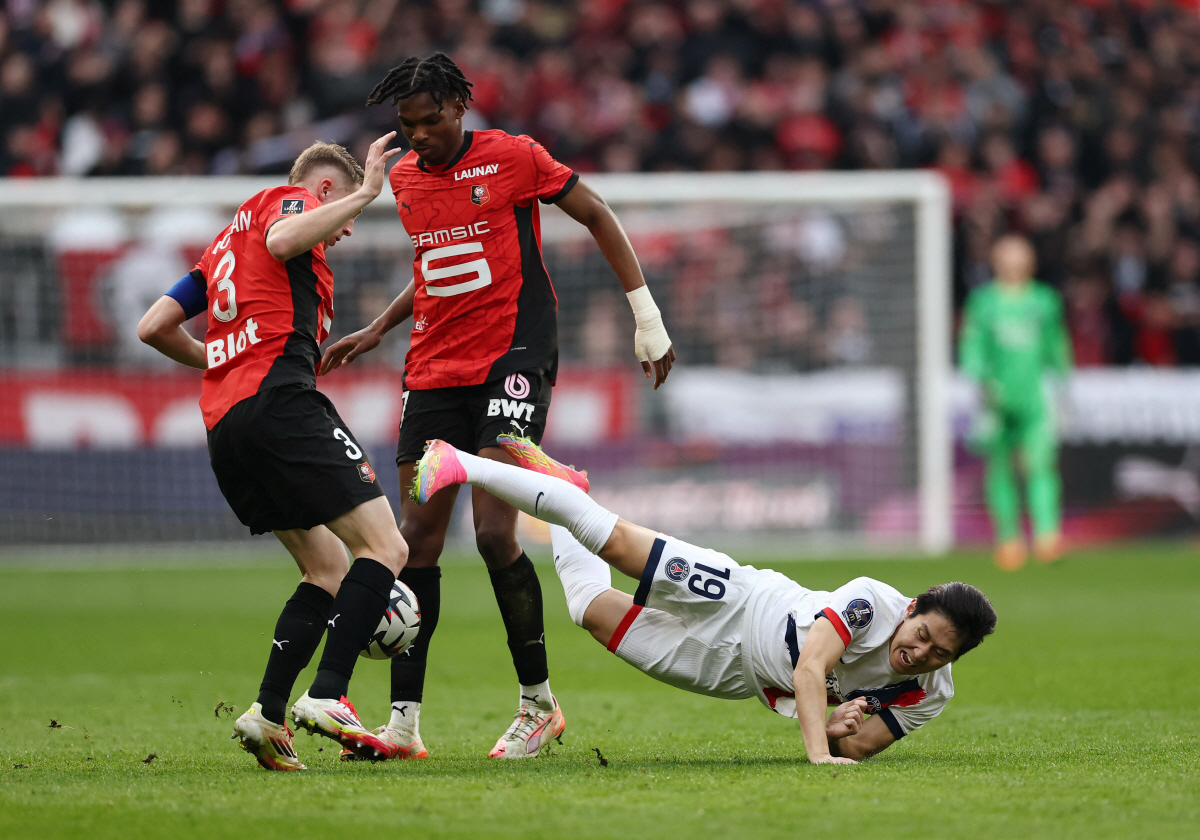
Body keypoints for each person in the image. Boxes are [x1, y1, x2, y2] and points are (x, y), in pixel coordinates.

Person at [317, 53, 676, 760]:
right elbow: (438, 267)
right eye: (405, 124)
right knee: (413, 539)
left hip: (512, 357)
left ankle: (538, 705)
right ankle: (404, 724)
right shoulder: (407, 179)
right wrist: (378, 329)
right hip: (433, 369)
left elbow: (596, 212)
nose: (417, 136)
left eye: (428, 121)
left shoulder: (513, 157)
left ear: (459, 109)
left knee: (491, 534)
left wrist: (647, 317)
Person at [408, 436, 997, 763]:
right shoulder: (871, 602)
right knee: (612, 543)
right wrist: (820, 749)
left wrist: (843, 727)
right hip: (739, 600)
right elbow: (812, 666)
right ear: (913, 608)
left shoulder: (929, 692)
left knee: (587, 609)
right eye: (922, 636)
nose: (920, 655)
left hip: (730, 672)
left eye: (941, 654)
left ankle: (564, 491)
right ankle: (465, 464)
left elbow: (862, 745)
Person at [136, 135, 411, 771]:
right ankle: (329, 693)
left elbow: (153, 326)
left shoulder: (217, 251)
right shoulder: (283, 205)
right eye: (345, 209)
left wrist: (219, 356)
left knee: (326, 569)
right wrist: (370, 190)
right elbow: (287, 239)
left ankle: (266, 712)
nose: (345, 229)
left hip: (226, 424)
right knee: (387, 547)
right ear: (321, 192)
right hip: (280, 403)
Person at [960, 235, 1073, 571]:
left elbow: (1056, 343)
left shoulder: (1044, 300)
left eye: (1020, 257)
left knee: (1040, 464)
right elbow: (973, 346)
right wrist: (980, 378)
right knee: (1001, 468)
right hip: (997, 400)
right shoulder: (984, 302)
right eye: (1008, 257)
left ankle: (1047, 535)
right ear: (997, 262)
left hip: (1035, 399)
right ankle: (1008, 539)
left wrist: (1064, 379)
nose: (1015, 263)